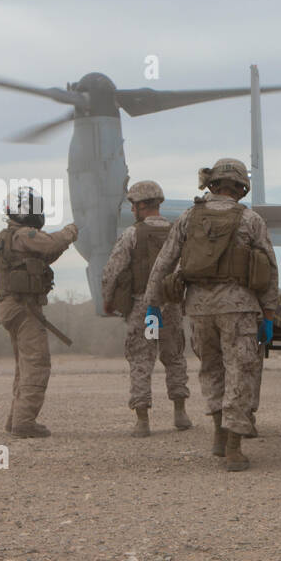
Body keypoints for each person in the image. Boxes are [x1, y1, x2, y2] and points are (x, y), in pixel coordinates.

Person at [143, 158, 278, 471]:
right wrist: (269, 314)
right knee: (240, 372)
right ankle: (234, 446)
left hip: (199, 309)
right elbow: (270, 269)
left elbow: (164, 262)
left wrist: (153, 304)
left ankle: (219, 432)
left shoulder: (189, 217)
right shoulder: (251, 219)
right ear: (241, 188)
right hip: (239, 308)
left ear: (212, 184)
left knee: (211, 369)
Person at [100, 180, 191, 436]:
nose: (132, 210)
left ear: (141, 206)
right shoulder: (177, 233)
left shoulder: (131, 234)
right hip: (171, 306)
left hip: (142, 306)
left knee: (141, 360)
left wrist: (107, 299)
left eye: (133, 205)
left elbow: (112, 271)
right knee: (174, 357)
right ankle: (180, 414)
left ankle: (142, 421)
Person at [0, 187, 78, 438]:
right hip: (23, 308)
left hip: (14, 308)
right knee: (37, 365)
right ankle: (24, 422)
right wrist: (72, 230)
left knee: (25, 367)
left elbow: (46, 253)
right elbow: (51, 242)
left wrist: (65, 242)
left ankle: (15, 419)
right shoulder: (23, 235)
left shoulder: (11, 236)